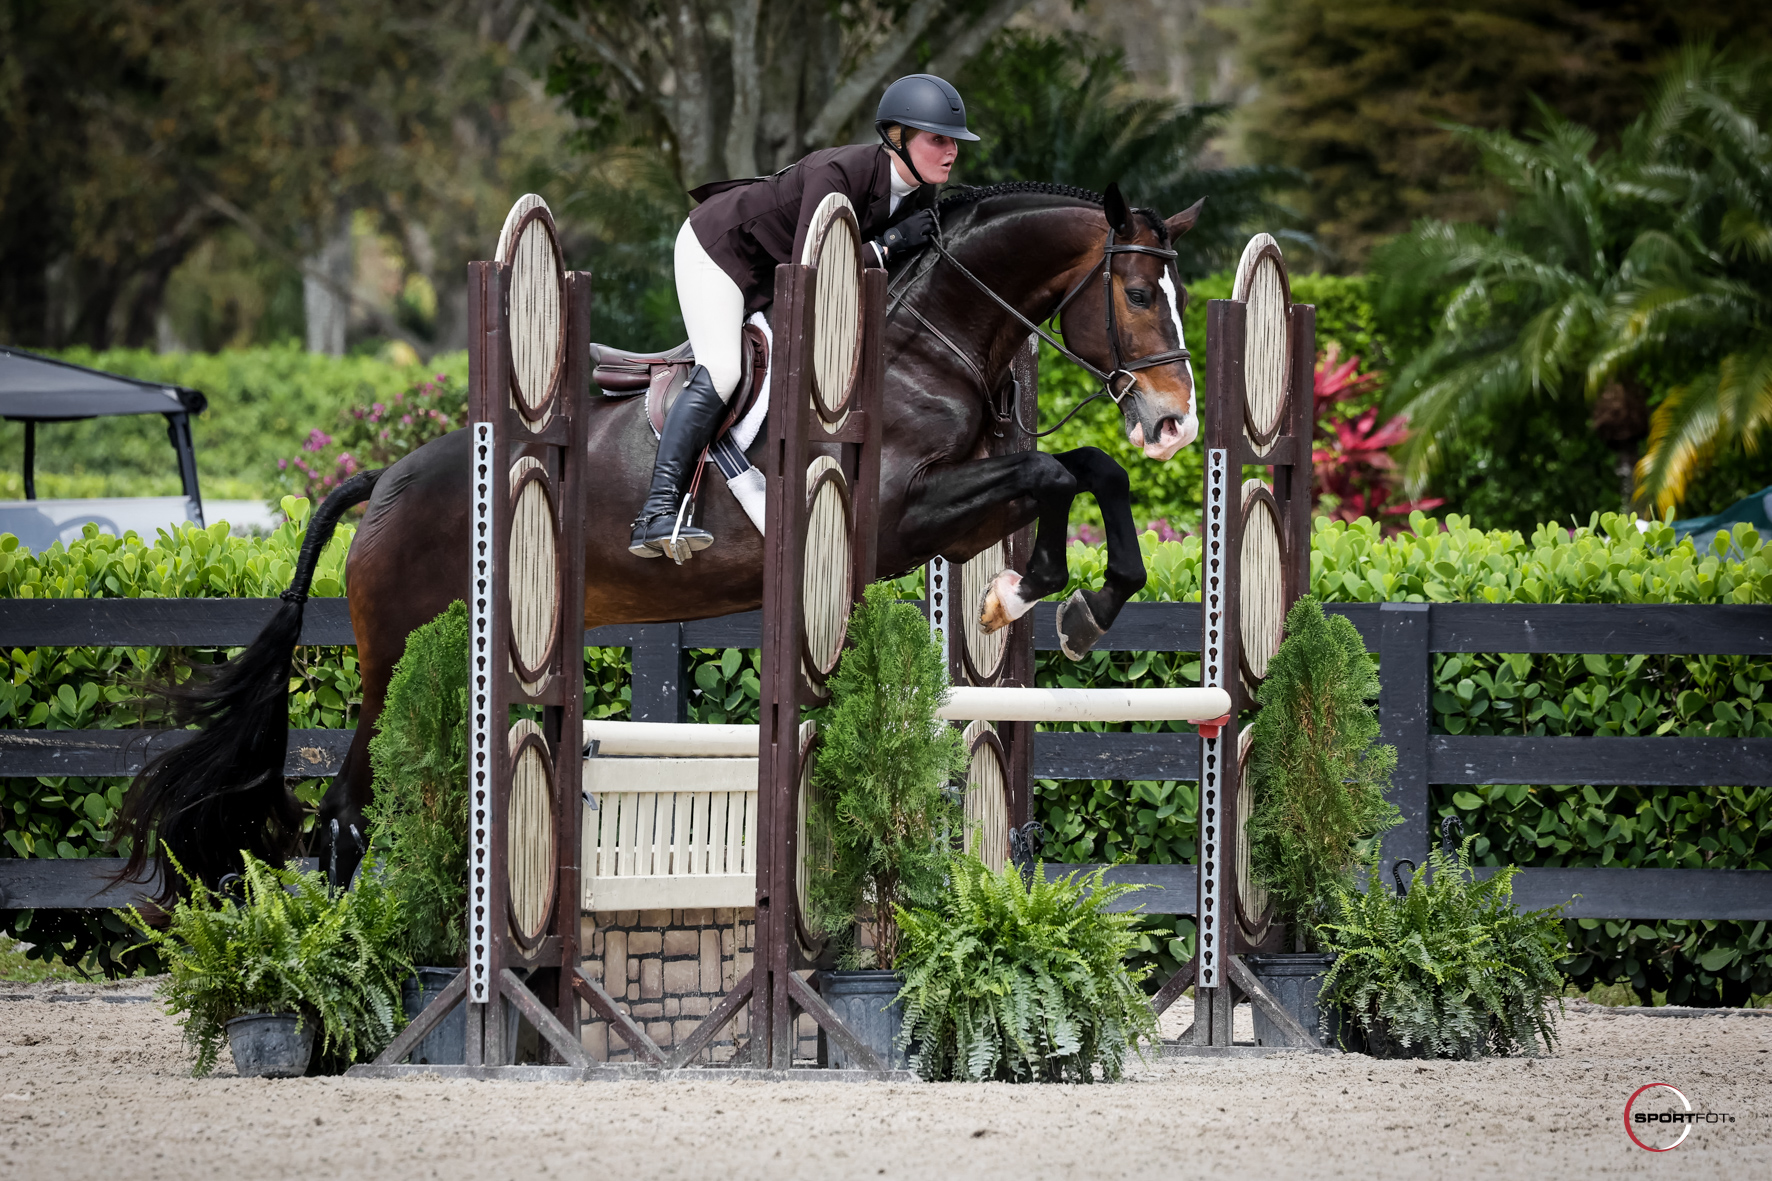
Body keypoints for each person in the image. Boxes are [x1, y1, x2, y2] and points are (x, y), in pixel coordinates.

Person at [629, 73, 978, 560]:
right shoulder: (840, 171)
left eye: (954, 141)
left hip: (774, 271)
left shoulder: (920, 193)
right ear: (897, 137)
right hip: (721, 253)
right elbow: (811, 271)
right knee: (725, 369)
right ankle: (657, 511)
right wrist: (888, 246)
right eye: (937, 139)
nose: (950, 151)